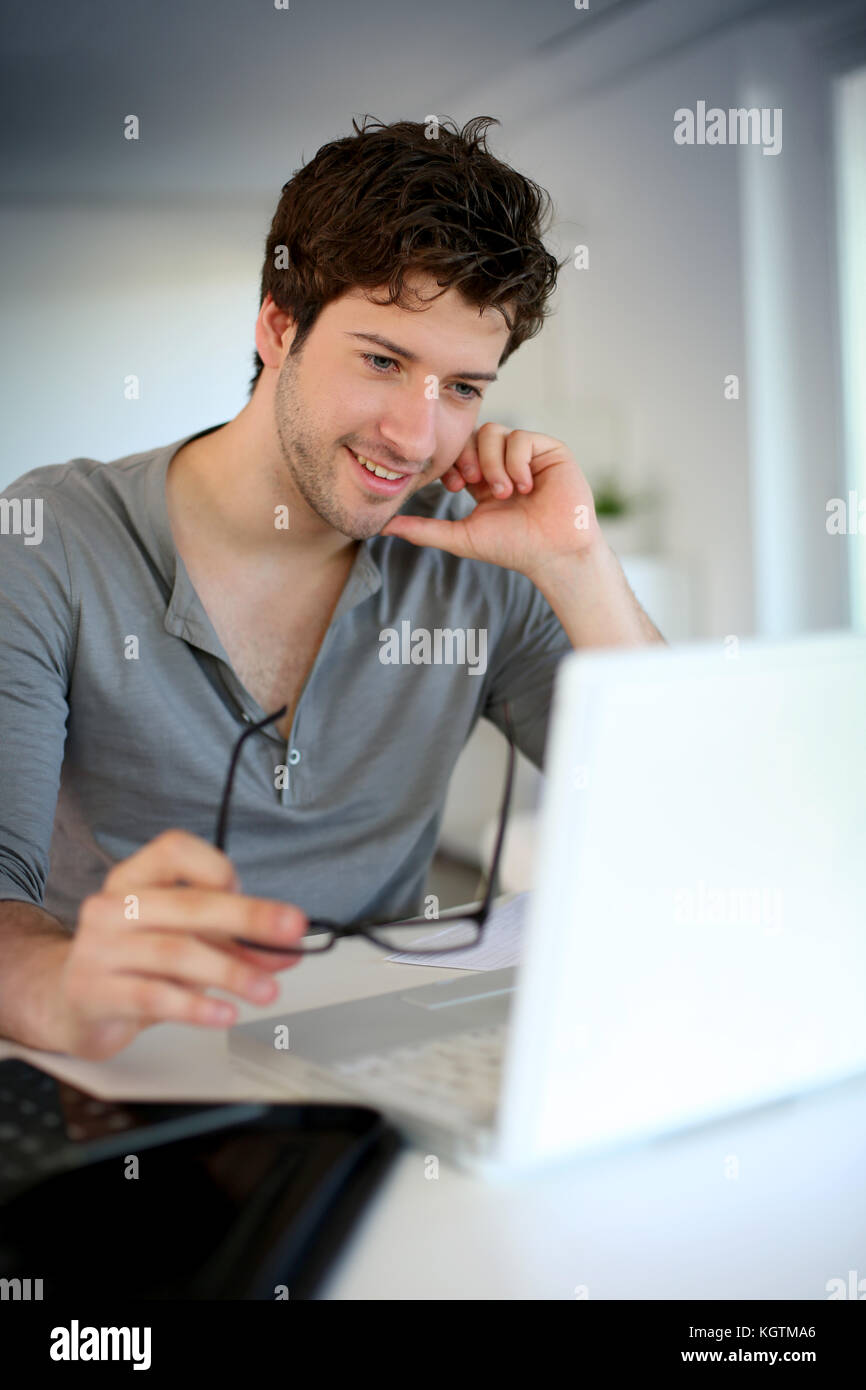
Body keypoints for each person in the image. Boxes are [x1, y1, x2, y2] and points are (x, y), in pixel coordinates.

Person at [0, 115, 663, 1061]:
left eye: (463, 388)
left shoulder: (479, 564)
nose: (414, 435)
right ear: (279, 325)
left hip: (374, 1066)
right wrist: (57, 986)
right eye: (383, 360)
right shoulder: (49, 542)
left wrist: (577, 562)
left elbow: (690, 816)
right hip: (117, 1067)